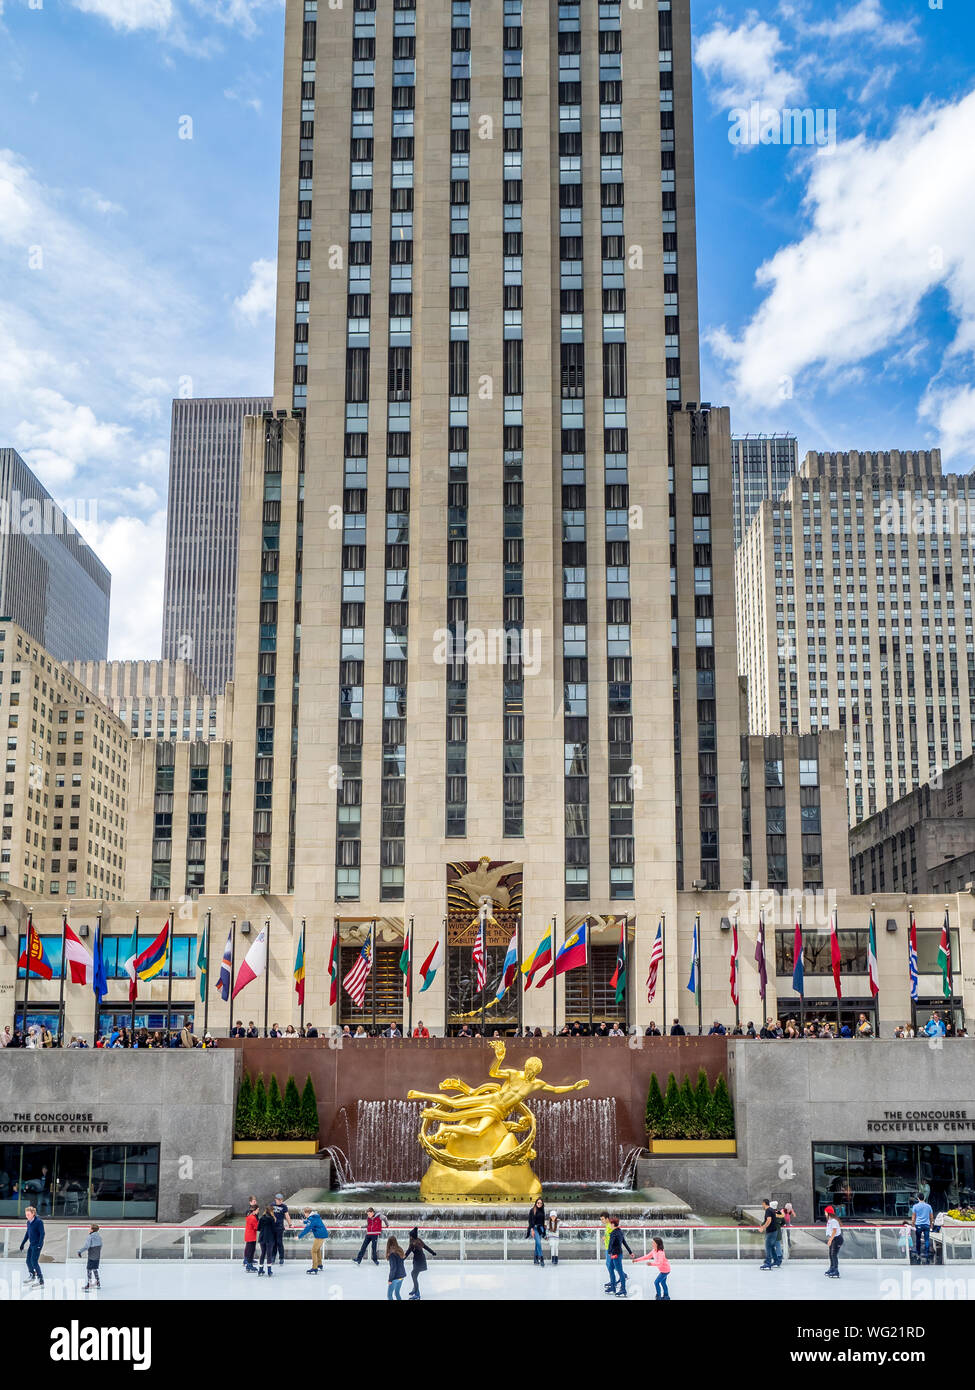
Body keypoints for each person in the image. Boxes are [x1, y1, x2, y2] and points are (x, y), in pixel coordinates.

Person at [636, 1235, 671, 1300]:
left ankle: (659, 1296)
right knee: (663, 1282)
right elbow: (647, 1256)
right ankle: (666, 1296)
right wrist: (637, 1260)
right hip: (663, 1270)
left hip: (665, 1270)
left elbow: (660, 1263)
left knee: (656, 1282)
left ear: (657, 1244)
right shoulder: (654, 1251)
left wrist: (651, 1264)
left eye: (653, 1243)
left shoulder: (660, 1253)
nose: (652, 1244)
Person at [406, 1226, 437, 1299]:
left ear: (412, 1236)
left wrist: (401, 1260)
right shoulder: (418, 1240)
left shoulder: (413, 1243)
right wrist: (433, 1253)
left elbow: (407, 1253)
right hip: (420, 1260)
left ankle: (417, 1294)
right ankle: (415, 1290)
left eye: (410, 1236)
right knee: (415, 1275)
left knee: (413, 1275)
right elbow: (426, 1247)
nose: (409, 1237)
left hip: (418, 1261)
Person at [297, 1207, 329, 1274]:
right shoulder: (315, 1216)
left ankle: (314, 1267)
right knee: (317, 1250)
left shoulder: (311, 1218)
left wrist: (299, 1236)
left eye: (305, 1213)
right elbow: (312, 1222)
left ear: (307, 1213)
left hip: (319, 1236)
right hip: (322, 1234)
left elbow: (307, 1229)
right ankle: (319, 1264)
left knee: (313, 1251)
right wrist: (304, 1222)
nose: (304, 1215)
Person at [606, 1218, 632, 1297]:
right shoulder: (620, 1231)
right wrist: (630, 1252)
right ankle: (613, 1287)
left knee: (620, 1272)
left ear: (613, 1224)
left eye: (610, 1224)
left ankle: (623, 1289)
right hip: (617, 1253)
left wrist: (609, 1252)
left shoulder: (614, 1233)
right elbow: (624, 1242)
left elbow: (611, 1244)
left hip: (615, 1254)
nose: (610, 1225)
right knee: (610, 1268)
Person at [20, 1205, 45, 1287]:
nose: (27, 1216)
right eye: (26, 1214)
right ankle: (32, 1275)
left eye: (28, 1214)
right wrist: (23, 1243)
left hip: (37, 1244)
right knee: (28, 1261)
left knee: (34, 1261)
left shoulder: (39, 1222)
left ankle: (41, 1279)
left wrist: (40, 1244)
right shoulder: (28, 1222)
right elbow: (27, 1234)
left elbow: (42, 1233)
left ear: (33, 1213)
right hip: (32, 1244)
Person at [77, 1224, 103, 1291]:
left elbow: (86, 1246)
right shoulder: (99, 1237)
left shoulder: (90, 1237)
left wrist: (80, 1251)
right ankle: (98, 1283)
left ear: (92, 1229)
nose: (89, 1229)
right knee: (95, 1269)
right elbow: (101, 1245)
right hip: (97, 1256)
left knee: (89, 1269)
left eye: (90, 1228)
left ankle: (89, 1284)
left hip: (91, 1256)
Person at [759, 1198, 782, 1270]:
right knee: (771, 1247)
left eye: (762, 1204)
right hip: (774, 1231)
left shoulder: (768, 1210)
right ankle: (776, 1261)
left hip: (771, 1232)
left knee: (768, 1247)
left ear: (764, 1203)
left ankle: (768, 1263)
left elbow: (769, 1220)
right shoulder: (772, 1210)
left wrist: (763, 1227)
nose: (762, 1205)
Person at [911, 1192, 934, 1262]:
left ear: (918, 1198)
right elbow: (931, 1216)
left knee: (918, 1239)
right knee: (927, 1239)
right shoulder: (929, 1206)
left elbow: (914, 1216)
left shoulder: (915, 1206)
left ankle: (918, 1252)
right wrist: (931, 1224)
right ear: (924, 1198)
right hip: (926, 1225)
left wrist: (913, 1223)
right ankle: (926, 1253)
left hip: (918, 1225)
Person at [271, 1192, 293, 1264]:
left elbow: (287, 1216)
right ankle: (273, 1257)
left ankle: (281, 1257)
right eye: (279, 1199)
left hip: (280, 1227)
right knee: (273, 1243)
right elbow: (268, 1214)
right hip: (272, 1227)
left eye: (281, 1199)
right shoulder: (272, 1205)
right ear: (275, 1199)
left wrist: (290, 1224)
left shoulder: (284, 1206)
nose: (280, 1201)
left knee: (279, 1242)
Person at [257, 1206, 276, 1276]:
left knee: (262, 1253)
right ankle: (269, 1271)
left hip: (262, 1238)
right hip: (270, 1238)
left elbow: (258, 1228)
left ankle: (260, 1270)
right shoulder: (272, 1219)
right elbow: (274, 1230)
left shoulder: (261, 1218)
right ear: (271, 1211)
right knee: (269, 1255)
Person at [824, 1205, 843, 1278]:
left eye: (825, 1212)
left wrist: (830, 1240)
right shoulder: (829, 1220)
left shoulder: (833, 1221)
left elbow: (834, 1231)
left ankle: (836, 1271)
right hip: (833, 1239)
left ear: (828, 1213)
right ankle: (832, 1268)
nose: (824, 1213)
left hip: (837, 1239)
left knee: (834, 1254)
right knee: (831, 1254)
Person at [527, 1196, 546, 1266]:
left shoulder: (542, 1210)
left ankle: (535, 1259)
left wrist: (544, 1229)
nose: (539, 1204)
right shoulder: (532, 1210)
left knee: (537, 1244)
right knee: (539, 1243)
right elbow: (530, 1221)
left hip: (541, 1228)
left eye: (541, 1203)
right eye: (538, 1203)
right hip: (534, 1228)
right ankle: (541, 1258)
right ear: (536, 1203)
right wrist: (531, 1229)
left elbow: (543, 1220)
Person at [386, 1236, 407, 1300]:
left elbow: (393, 1268)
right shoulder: (399, 1249)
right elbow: (402, 1261)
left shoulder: (392, 1254)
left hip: (395, 1278)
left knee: (389, 1295)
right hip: (402, 1276)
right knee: (397, 1293)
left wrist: (390, 1279)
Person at [243, 1204, 259, 1272]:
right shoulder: (253, 1218)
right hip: (251, 1237)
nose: (258, 1211)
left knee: (250, 1250)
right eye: (258, 1210)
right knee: (251, 1251)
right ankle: (249, 1266)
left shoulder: (250, 1216)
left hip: (249, 1236)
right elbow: (257, 1227)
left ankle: (249, 1265)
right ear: (255, 1210)